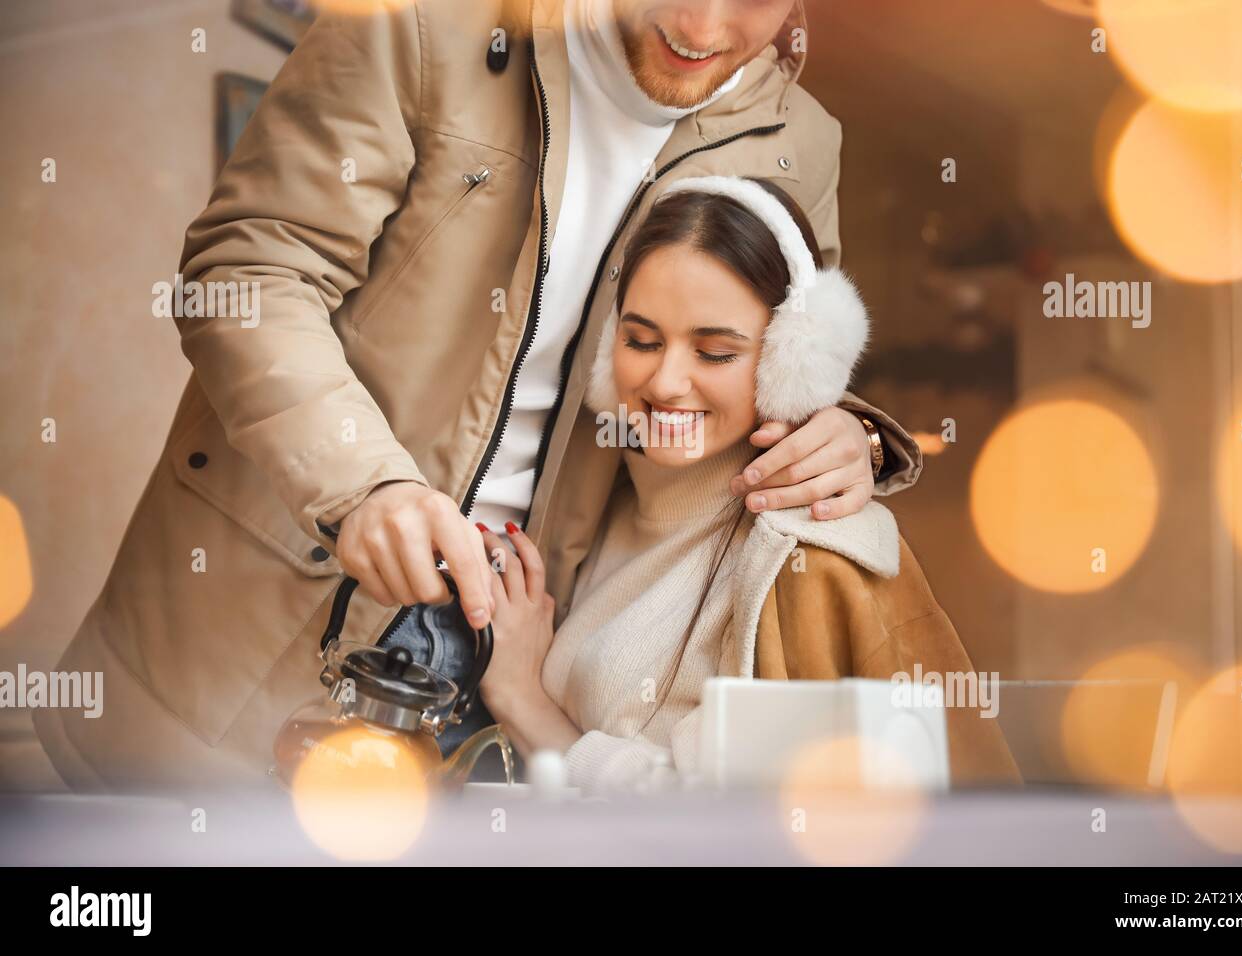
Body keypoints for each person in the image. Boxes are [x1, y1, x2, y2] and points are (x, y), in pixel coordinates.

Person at [34, 0, 923, 790]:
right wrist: (363, 486)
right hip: (270, 616)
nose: (698, 30)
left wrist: (846, 434)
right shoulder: (412, 19)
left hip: (527, 661)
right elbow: (249, 272)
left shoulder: (801, 140)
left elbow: (774, 367)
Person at [474, 177, 1022, 795]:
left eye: (714, 353)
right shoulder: (605, 503)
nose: (665, 381)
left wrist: (523, 702)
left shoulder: (809, 551)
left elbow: (742, 825)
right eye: (641, 340)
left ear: (792, 361)